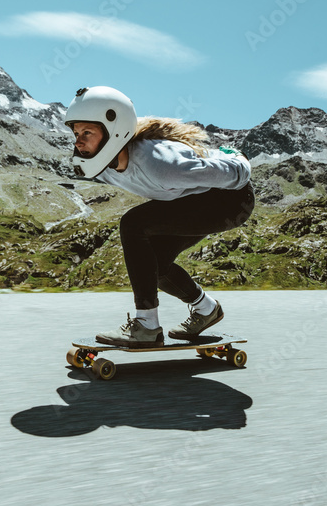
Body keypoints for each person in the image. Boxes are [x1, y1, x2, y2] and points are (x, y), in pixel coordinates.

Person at [64, 86, 255, 348]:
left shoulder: (162, 163)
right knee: (155, 265)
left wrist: (238, 157)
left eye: (87, 132)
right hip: (190, 200)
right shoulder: (101, 167)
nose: (78, 141)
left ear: (114, 131)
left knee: (133, 224)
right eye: (76, 133)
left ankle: (147, 326)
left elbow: (236, 175)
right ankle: (206, 309)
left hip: (231, 200)